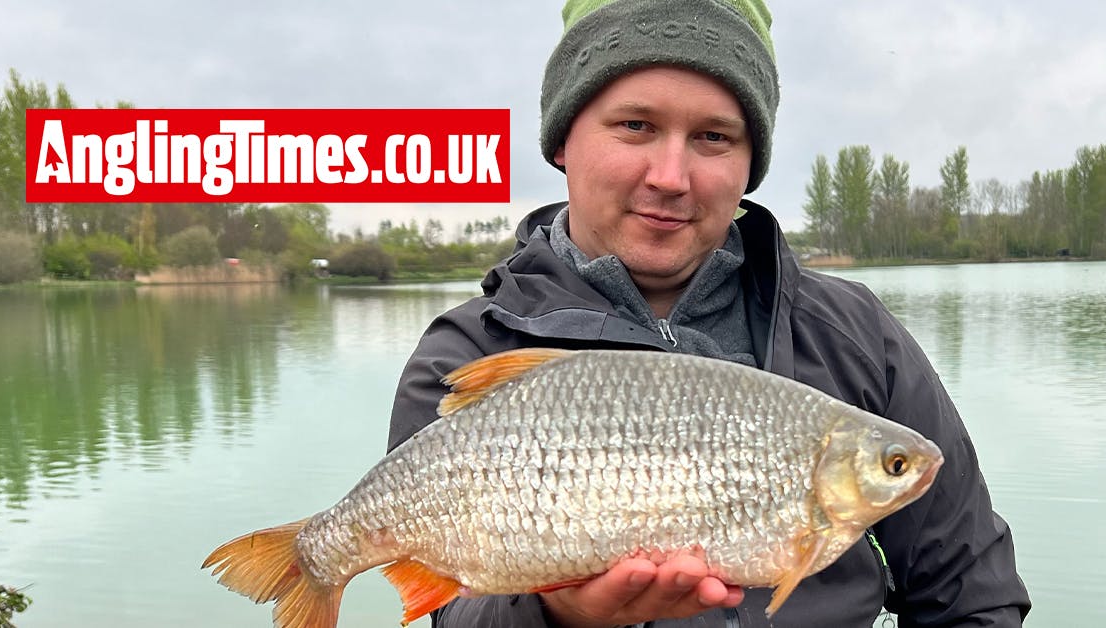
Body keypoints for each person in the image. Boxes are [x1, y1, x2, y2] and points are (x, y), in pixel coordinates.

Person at [386, 0, 1032, 625]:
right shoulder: (468, 350)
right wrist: (561, 615)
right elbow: (450, 614)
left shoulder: (855, 335)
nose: (671, 176)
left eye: (713, 137)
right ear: (562, 140)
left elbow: (972, 598)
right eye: (635, 126)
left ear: (752, 162)